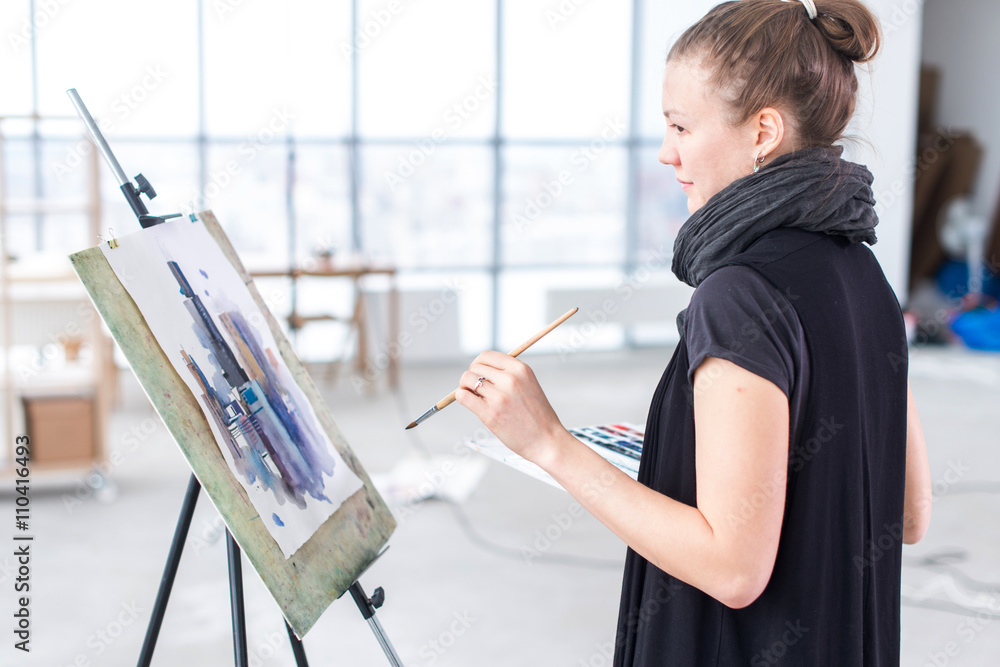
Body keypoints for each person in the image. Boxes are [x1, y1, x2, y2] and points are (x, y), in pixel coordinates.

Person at [456, 0, 932, 664]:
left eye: (681, 125)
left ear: (763, 130)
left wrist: (551, 443)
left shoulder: (737, 294)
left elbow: (734, 569)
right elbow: (907, 514)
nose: (665, 151)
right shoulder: (866, 273)